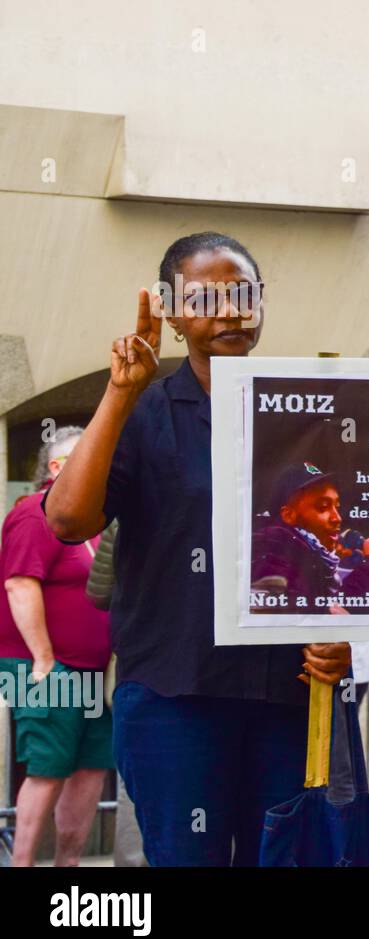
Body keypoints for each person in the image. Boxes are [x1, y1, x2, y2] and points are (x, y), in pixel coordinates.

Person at [42, 232, 352, 866]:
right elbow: (69, 520)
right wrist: (120, 393)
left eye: (244, 294)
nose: (231, 311)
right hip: (174, 701)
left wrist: (347, 632)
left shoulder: (312, 414)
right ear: (172, 312)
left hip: (288, 696)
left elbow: (344, 551)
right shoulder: (142, 411)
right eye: (207, 298)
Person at [0, 427, 112, 866]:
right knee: (47, 770)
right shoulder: (35, 512)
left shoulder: (93, 519)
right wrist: (45, 660)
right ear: (56, 468)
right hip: (48, 668)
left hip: (93, 674)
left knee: (89, 769)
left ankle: (69, 869)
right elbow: (19, 584)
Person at [249, 463, 369, 614]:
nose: (338, 518)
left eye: (337, 506)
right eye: (323, 507)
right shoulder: (270, 548)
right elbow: (319, 619)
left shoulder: (306, 556)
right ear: (289, 515)